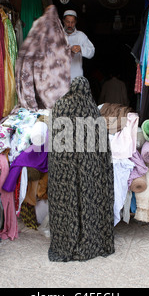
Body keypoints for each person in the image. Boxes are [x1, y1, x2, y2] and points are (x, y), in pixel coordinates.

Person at [48, 76, 115, 262]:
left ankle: (66, 242)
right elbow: (102, 148)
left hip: (65, 170)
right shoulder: (92, 111)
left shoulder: (60, 107)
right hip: (89, 170)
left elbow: (54, 141)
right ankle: (89, 238)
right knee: (87, 201)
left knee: (68, 203)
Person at [62, 10, 95, 81]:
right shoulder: (57, 35)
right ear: (63, 21)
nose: (70, 25)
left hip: (76, 78)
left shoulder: (81, 36)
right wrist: (68, 49)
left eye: (72, 22)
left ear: (76, 22)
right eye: (67, 22)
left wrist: (81, 49)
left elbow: (92, 52)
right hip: (59, 78)